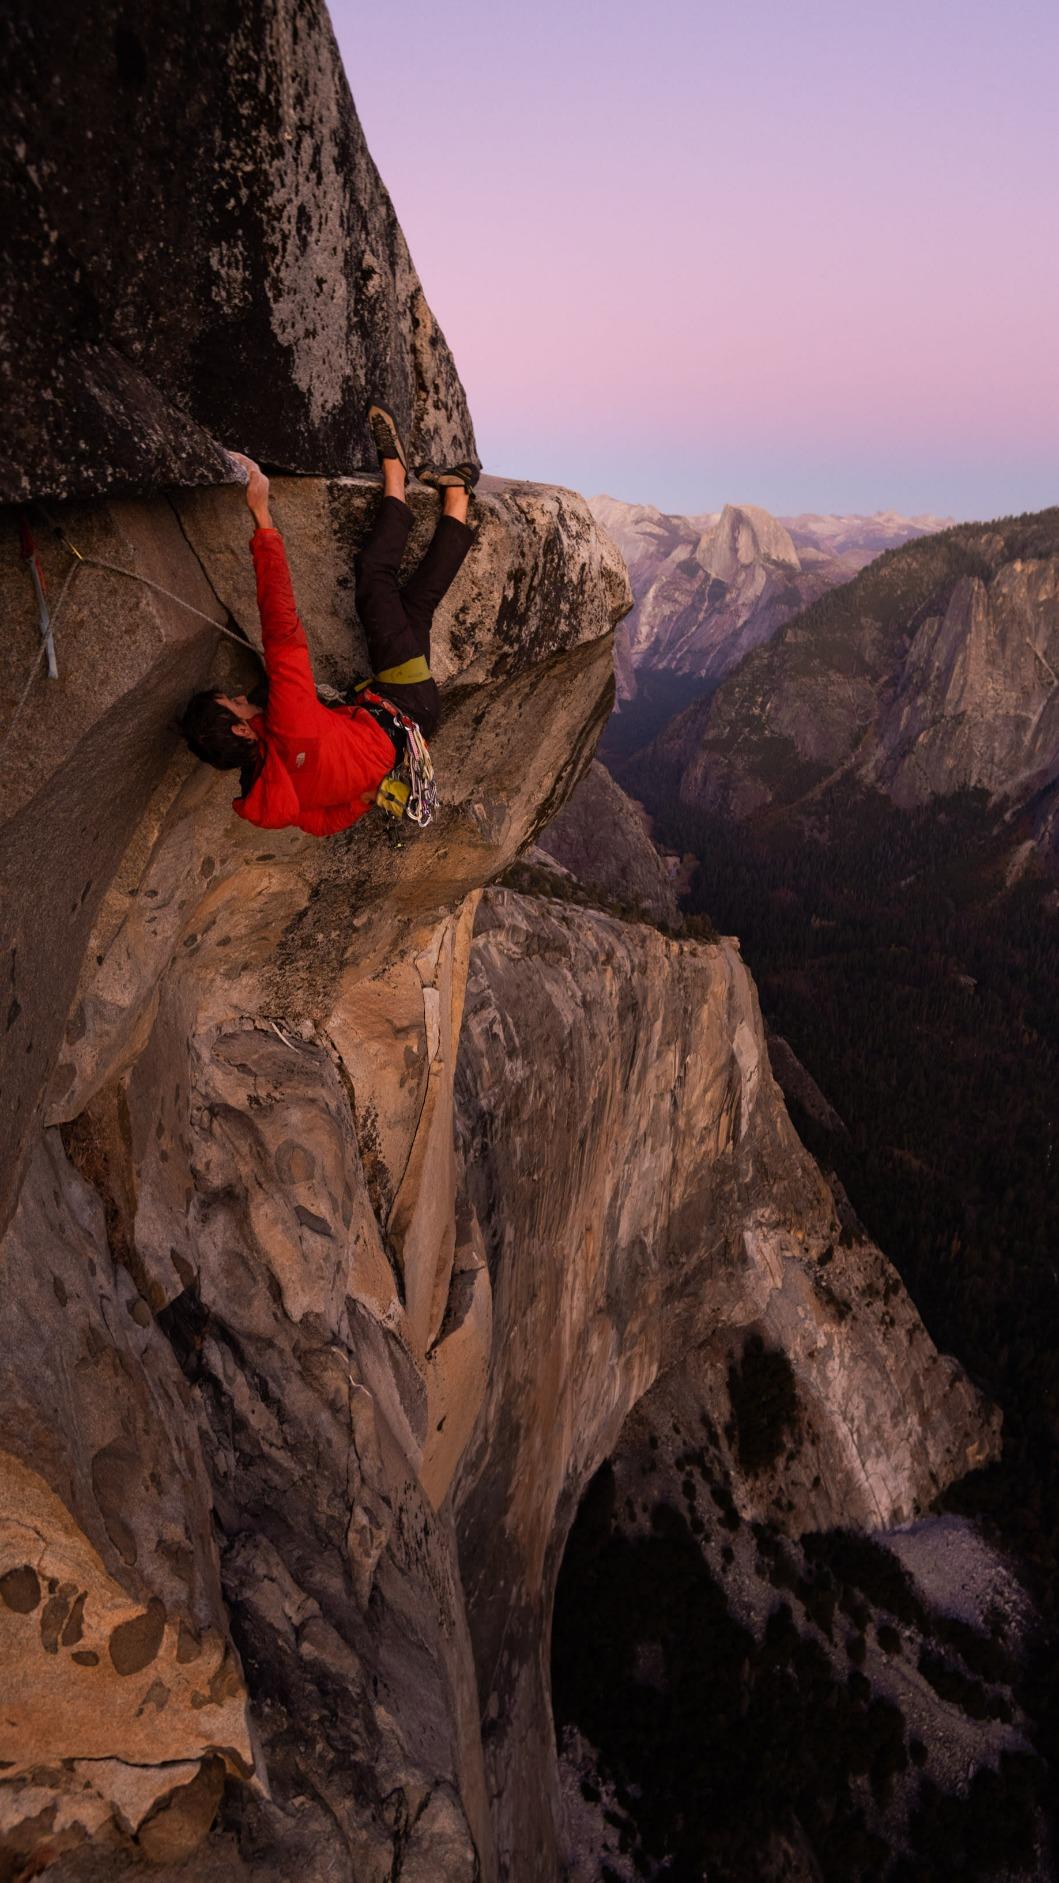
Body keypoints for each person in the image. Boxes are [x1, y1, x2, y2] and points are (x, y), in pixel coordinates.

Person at [179, 404, 478, 835]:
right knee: (374, 575)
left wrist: (364, 789)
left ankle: (456, 497)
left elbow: (326, 824)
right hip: (402, 696)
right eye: (235, 702)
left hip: (413, 724)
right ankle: (396, 478)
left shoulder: (270, 792)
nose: (242, 695)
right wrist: (262, 518)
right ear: (242, 730)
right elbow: (280, 625)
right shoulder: (288, 720)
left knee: (416, 607)